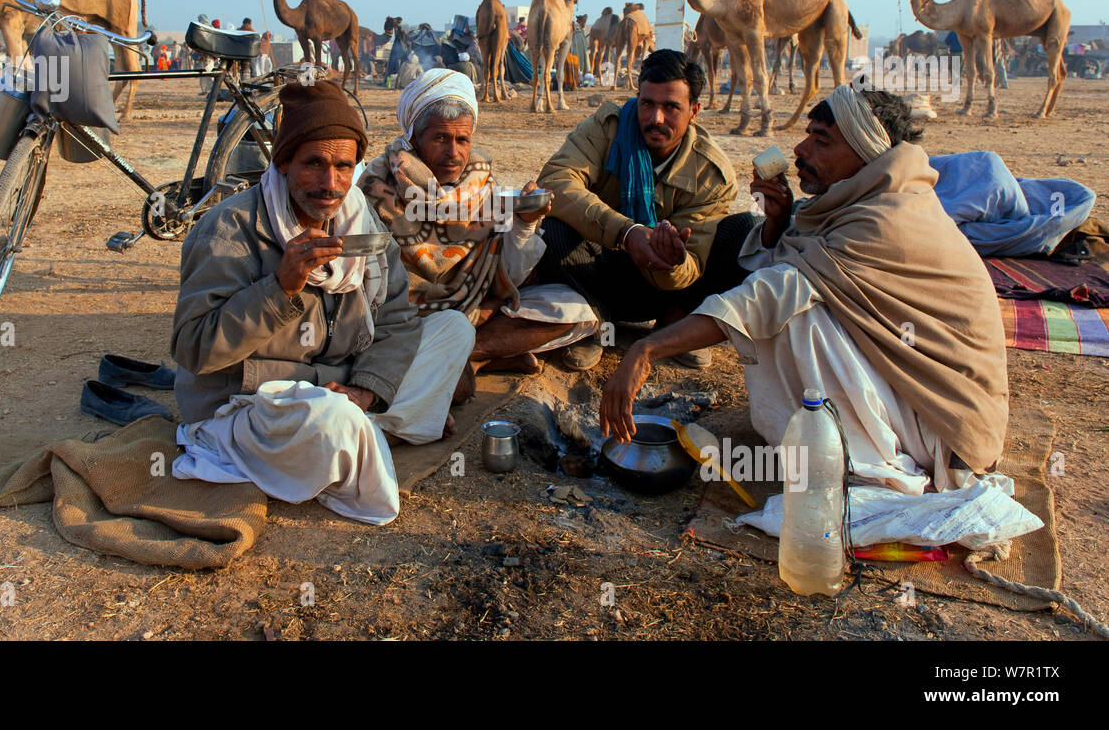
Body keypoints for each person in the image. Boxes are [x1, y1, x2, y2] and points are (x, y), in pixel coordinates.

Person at [600, 85, 1009, 493]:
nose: (800, 149)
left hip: (947, 429)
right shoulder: (865, 198)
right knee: (769, 269)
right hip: (923, 404)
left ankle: (863, 464)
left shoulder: (886, 219)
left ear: (865, 152)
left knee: (797, 316)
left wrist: (648, 349)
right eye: (808, 134)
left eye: (821, 140)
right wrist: (777, 226)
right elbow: (794, 268)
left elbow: (773, 294)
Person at [171, 80, 474, 525]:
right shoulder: (230, 229)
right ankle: (368, 435)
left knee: (453, 329)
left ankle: (361, 431)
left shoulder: (359, 221)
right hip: (253, 403)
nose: (330, 183)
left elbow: (397, 321)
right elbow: (194, 350)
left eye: (343, 166)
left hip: (342, 387)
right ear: (284, 161)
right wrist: (279, 289)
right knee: (331, 421)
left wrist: (366, 390)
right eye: (314, 164)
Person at [359, 69, 596, 396]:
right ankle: (475, 357)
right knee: (449, 380)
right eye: (440, 138)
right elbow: (374, 296)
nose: (454, 153)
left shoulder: (479, 181)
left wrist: (525, 223)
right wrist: (467, 312)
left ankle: (471, 357)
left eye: (462, 140)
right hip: (408, 323)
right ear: (414, 138)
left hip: (477, 312)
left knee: (573, 308)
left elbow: (507, 271)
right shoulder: (378, 187)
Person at [536, 48, 754, 370]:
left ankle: (674, 327)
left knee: (746, 232)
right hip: (597, 273)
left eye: (671, 108)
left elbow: (693, 262)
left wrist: (671, 260)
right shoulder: (607, 127)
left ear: (694, 111)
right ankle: (597, 323)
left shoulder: (711, 173)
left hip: (664, 288)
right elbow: (555, 180)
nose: (656, 119)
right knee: (552, 226)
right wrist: (626, 232)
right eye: (647, 104)